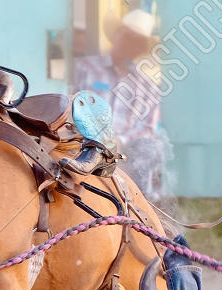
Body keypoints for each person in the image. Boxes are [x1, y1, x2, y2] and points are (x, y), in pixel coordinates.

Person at [72, 9, 168, 200]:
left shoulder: (147, 87)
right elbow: (67, 102)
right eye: (127, 36)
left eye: (137, 41)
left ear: (141, 48)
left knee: (151, 147)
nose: (130, 43)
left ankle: (140, 208)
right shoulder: (83, 68)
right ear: (116, 35)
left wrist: (121, 141)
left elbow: (149, 128)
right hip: (80, 144)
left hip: (125, 154)